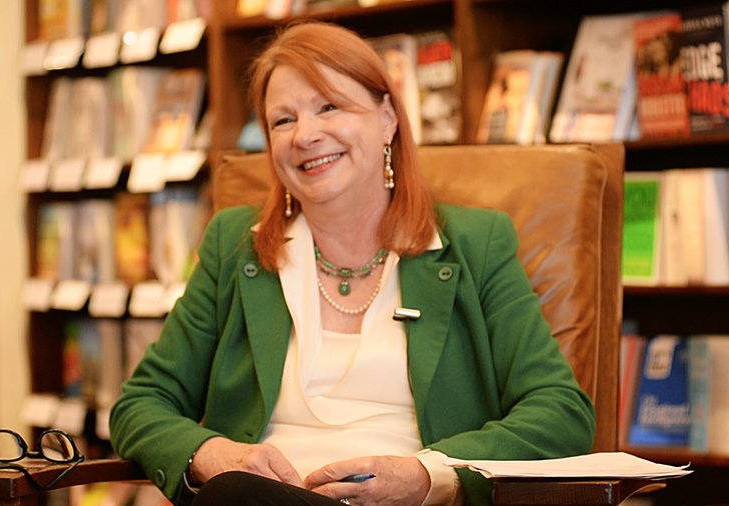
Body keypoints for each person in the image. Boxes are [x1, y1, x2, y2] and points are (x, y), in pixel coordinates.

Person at [109, 21, 595, 506]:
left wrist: (428, 475)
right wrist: (211, 454)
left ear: (387, 118)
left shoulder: (474, 243)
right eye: (282, 120)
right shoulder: (235, 245)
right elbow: (140, 403)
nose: (305, 135)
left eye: (329, 107)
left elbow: (561, 414)